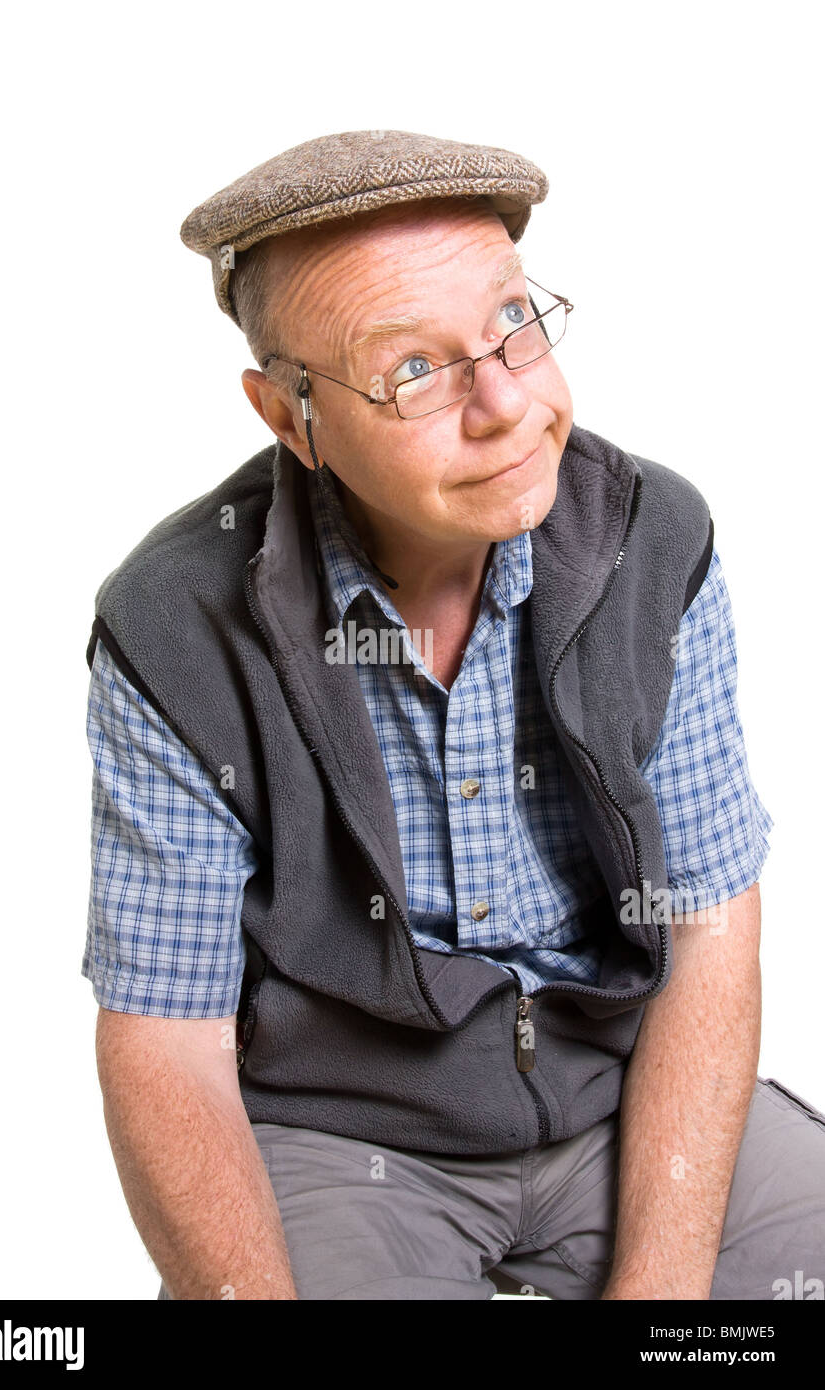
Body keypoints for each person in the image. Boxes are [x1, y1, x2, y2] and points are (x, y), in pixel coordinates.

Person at [83, 129, 825, 1301]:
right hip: (343, 1142)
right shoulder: (174, 623)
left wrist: (661, 1304)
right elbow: (164, 1043)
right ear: (291, 418)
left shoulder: (653, 541)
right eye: (412, 370)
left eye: (513, 324)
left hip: (617, 1095)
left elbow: (708, 927)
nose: (507, 405)